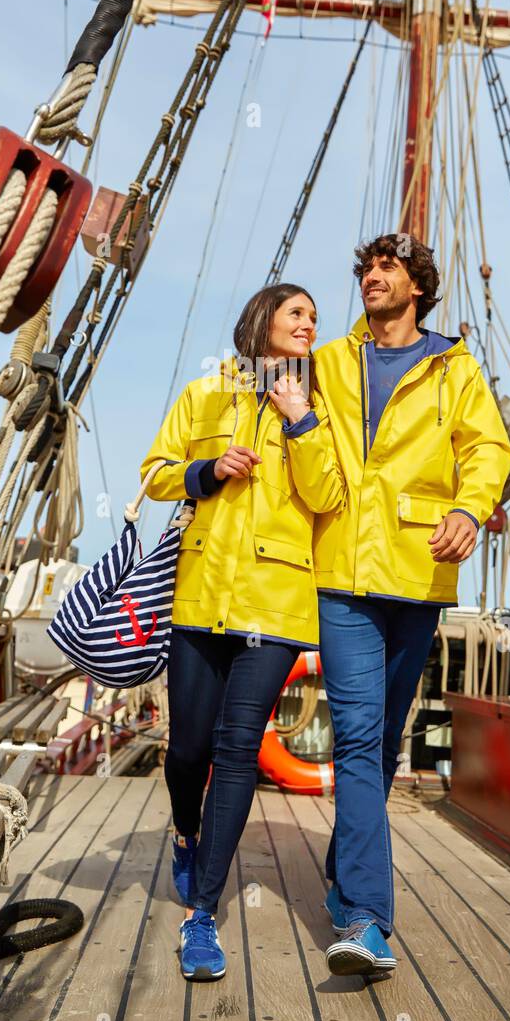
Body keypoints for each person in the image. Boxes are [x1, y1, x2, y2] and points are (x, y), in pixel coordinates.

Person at [312, 233, 510, 976]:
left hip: (420, 571)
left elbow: (488, 448)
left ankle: (342, 878)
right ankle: (367, 919)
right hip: (341, 574)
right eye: (365, 267)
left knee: (384, 736)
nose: (371, 276)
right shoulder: (327, 360)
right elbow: (260, 395)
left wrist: (470, 507)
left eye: (387, 268)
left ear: (418, 286)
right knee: (360, 739)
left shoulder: (454, 365)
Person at [140, 283, 346, 982]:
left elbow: (328, 497)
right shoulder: (207, 395)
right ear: (261, 321)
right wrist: (207, 470)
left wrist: (300, 423)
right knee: (189, 749)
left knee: (235, 753)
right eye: (297, 313)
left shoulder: (316, 404)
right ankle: (185, 831)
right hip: (199, 600)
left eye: (314, 318)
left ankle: (203, 915)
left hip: (278, 606)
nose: (308, 324)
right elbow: (157, 473)